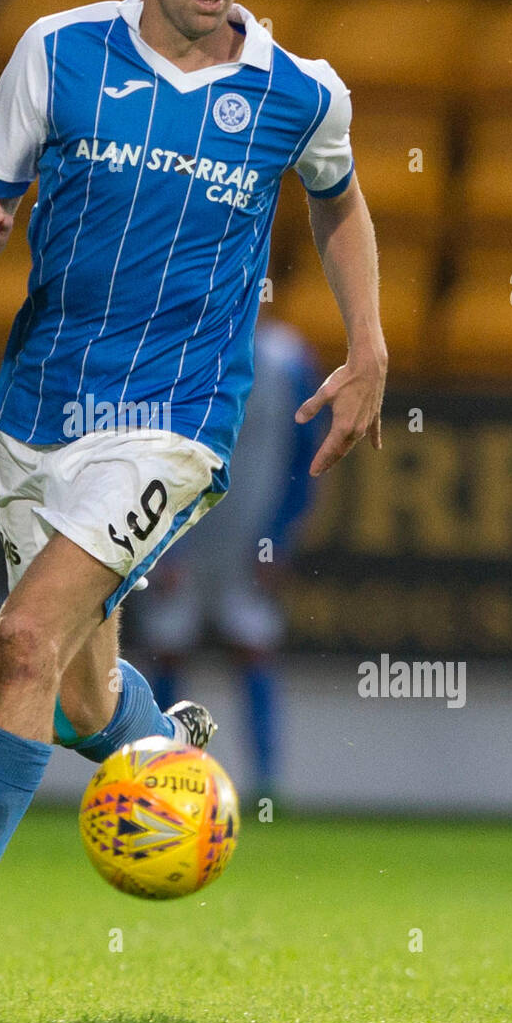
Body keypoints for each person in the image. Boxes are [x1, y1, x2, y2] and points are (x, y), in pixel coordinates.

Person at [0, 0, 387, 1016]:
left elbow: (341, 204)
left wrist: (368, 345)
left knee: (16, 643)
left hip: (174, 421)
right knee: (75, 700)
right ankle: (165, 748)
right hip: (39, 411)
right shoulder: (55, 53)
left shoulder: (294, 92)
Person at [136, 312, 322, 794]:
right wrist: (157, 544)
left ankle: (267, 785)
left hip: (247, 542)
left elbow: (306, 459)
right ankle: (158, 776)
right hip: (181, 538)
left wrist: (279, 539)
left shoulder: (288, 361)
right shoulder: (174, 350)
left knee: (254, 646)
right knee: (168, 649)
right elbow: (143, 450)